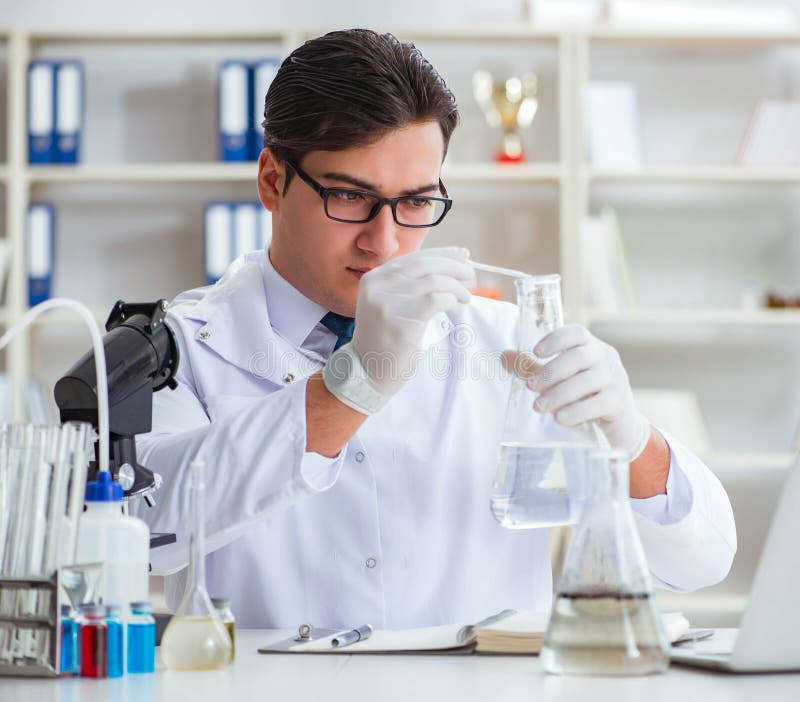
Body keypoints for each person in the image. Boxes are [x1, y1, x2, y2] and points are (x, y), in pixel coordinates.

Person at [137, 28, 736, 628]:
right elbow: (147, 533)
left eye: (417, 201)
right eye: (349, 196)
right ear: (272, 181)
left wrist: (631, 441)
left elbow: (699, 562)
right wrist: (354, 386)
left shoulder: (506, 344)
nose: (385, 241)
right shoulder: (180, 346)